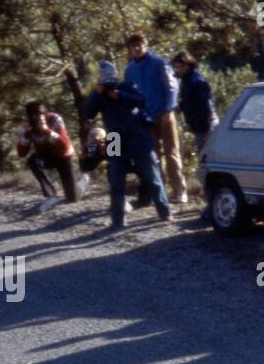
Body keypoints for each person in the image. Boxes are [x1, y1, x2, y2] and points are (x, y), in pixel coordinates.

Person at [83, 60, 170, 230]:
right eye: (102, 75)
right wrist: (96, 93)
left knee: (152, 177)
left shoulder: (127, 86)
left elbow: (141, 101)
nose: (106, 79)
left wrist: (119, 95)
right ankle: (118, 221)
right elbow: (88, 113)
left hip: (137, 136)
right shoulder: (99, 95)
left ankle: (165, 213)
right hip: (114, 138)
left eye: (108, 75)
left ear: (116, 74)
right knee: (116, 180)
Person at [124, 34, 186, 205]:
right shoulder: (129, 70)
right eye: (133, 46)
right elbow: (129, 94)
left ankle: (180, 191)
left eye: (139, 45)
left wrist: (168, 109)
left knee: (171, 153)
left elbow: (172, 87)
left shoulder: (159, 63)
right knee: (152, 156)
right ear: (130, 48)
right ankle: (159, 193)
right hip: (145, 118)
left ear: (146, 44)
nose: (136, 48)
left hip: (164, 114)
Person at [171, 51, 219, 222]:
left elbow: (204, 108)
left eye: (179, 66)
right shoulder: (188, 80)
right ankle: (211, 205)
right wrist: (182, 107)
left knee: (208, 168)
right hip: (202, 127)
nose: (177, 69)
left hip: (206, 128)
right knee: (207, 167)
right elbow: (191, 102)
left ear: (187, 65)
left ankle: (212, 206)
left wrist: (199, 126)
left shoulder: (196, 81)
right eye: (176, 66)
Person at [16, 101, 79, 211]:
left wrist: (47, 130)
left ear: (46, 112)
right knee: (33, 160)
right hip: (45, 156)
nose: (38, 117)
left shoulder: (55, 119)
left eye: (41, 113)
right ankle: (51, 195)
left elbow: (64, 146)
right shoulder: (28, 125)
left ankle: (77, 187)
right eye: (34, 115)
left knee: (72, 198)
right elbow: (22, 153)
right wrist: (26, 134)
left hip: (63, 155)